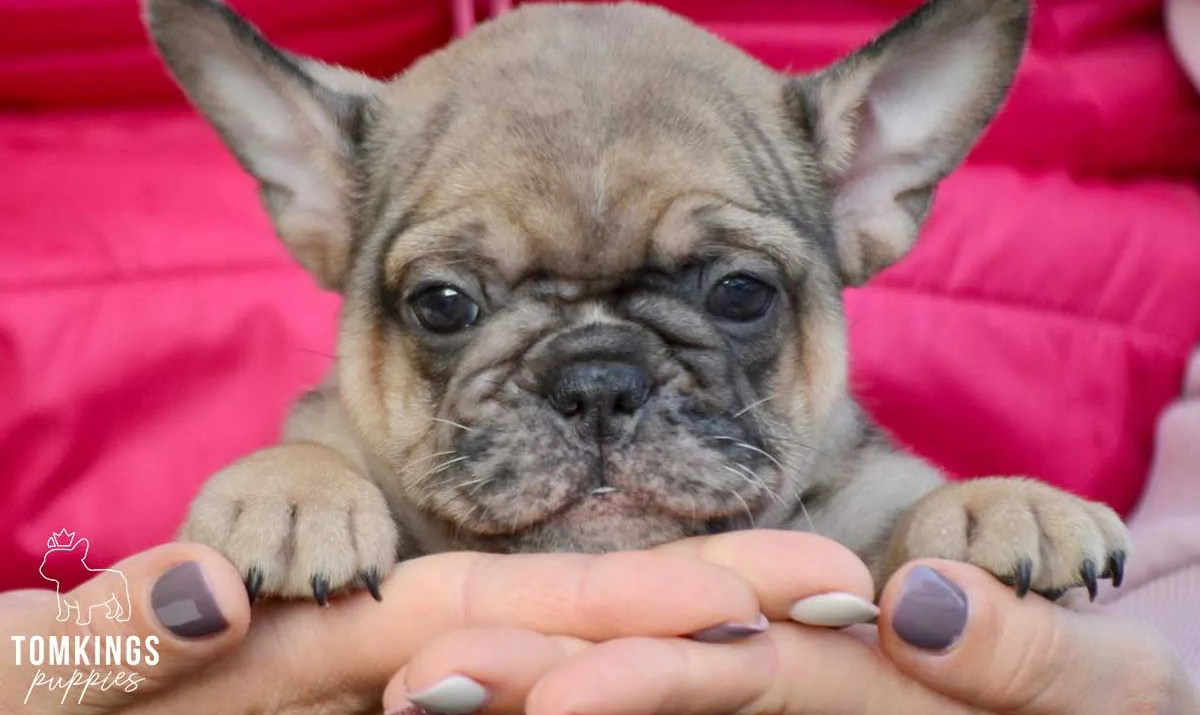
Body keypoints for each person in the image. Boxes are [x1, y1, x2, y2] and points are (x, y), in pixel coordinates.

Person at [2, 348, 1197, 714]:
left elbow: (906, 526)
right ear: (315, 202)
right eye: (452, 306)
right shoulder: (338, 460)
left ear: (870, 194)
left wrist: (1159, 656)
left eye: (731, 296)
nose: (600, 396)